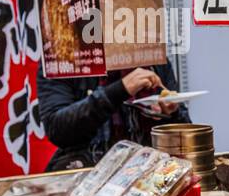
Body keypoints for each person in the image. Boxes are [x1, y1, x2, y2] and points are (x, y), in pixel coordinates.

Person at [38, 63, 191, 171]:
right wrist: (119, 90)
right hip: (87, 175)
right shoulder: (65, 58)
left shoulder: (153, 59)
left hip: (150, 177)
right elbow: (57, 129)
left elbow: (185, 134)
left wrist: (171, 113)